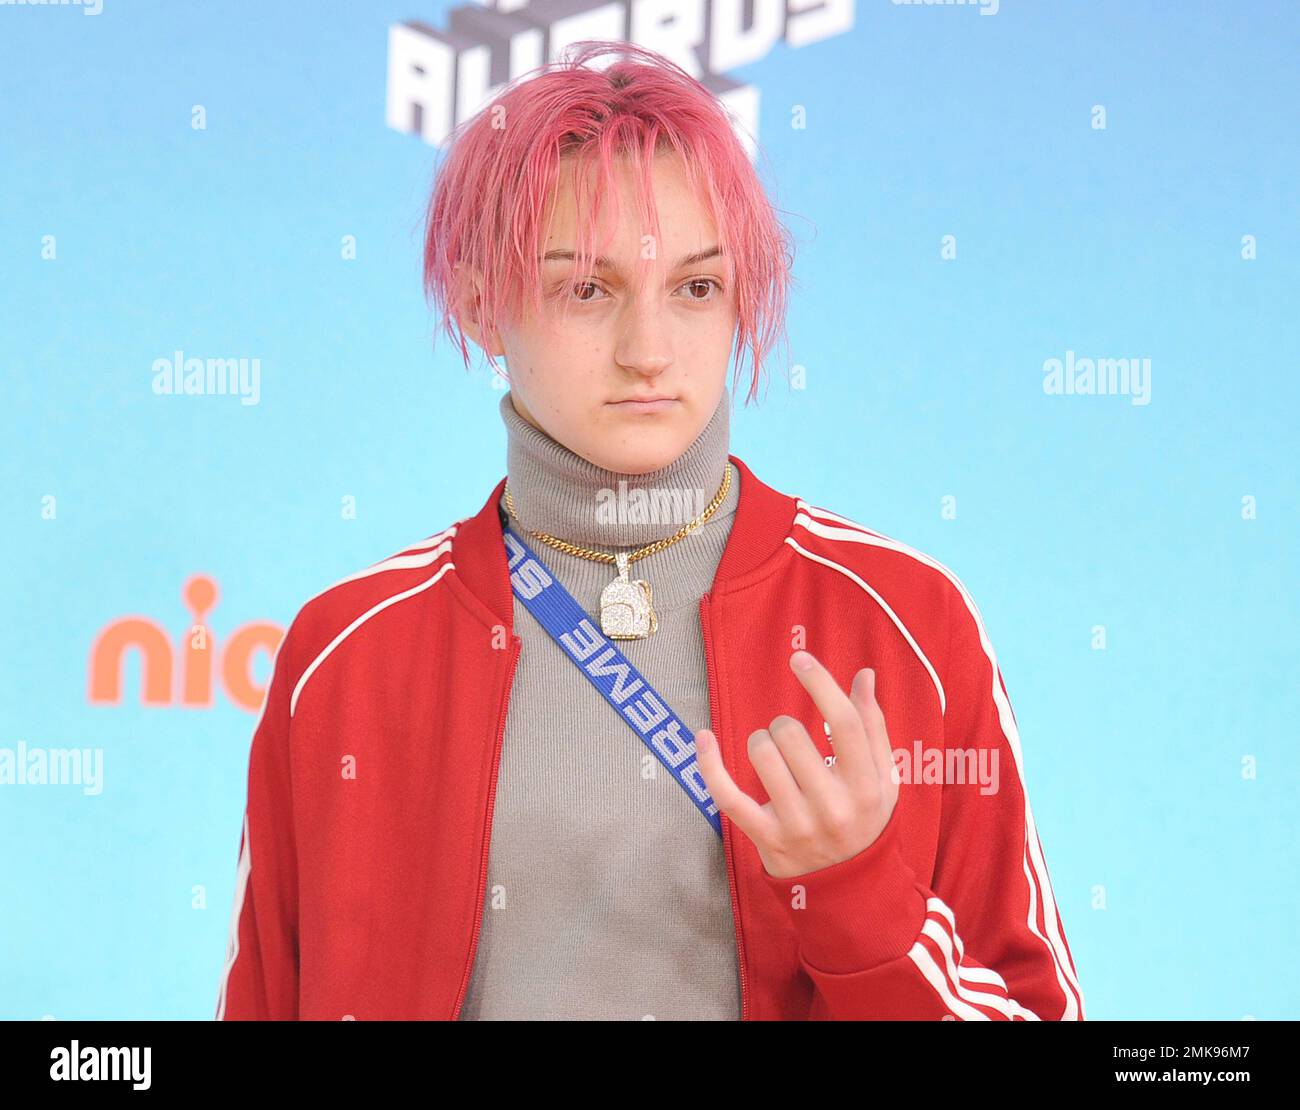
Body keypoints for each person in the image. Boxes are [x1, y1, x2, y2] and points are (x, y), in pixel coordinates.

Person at [216, 39, 1085, 1021]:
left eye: (696, 287)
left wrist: (856, 901)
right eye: (586, 290)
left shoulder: (902, 622)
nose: (649, 351)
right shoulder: (347, 652)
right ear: (478, 302)